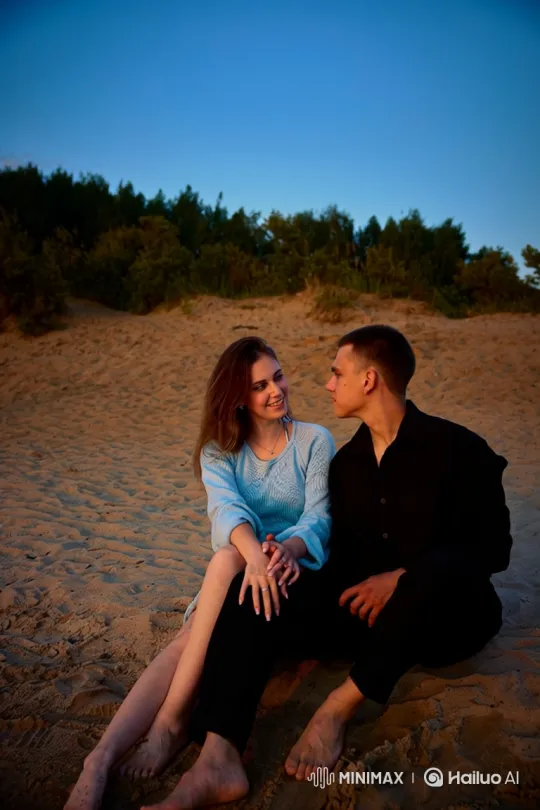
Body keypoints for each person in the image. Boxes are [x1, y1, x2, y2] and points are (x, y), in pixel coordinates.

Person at [142, 324, 513, 810]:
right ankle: (218, 757)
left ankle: (334, 712)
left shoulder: (460, 449)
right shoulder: (348, 464)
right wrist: (281, 559)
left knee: (427, 577)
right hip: (365, 621)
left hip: (446, 619)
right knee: (254, 587)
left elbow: (493, 550)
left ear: (370, 380)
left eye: (337, 373)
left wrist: (402, 579)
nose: (327, 384)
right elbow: (335, 549)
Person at [64, 336, 335, 810]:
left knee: (203, 610)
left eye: (278, 376)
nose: (276, 390)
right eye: (259, 386)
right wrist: (253, 555)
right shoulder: (219, 452)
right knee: (224, 566)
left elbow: (319, 516)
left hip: (292, 574)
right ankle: (99, 760)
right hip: (235, 570)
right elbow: (226, 512)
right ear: (237, 398)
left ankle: (167, 728)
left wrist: (284, 550)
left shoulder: (314, 440)